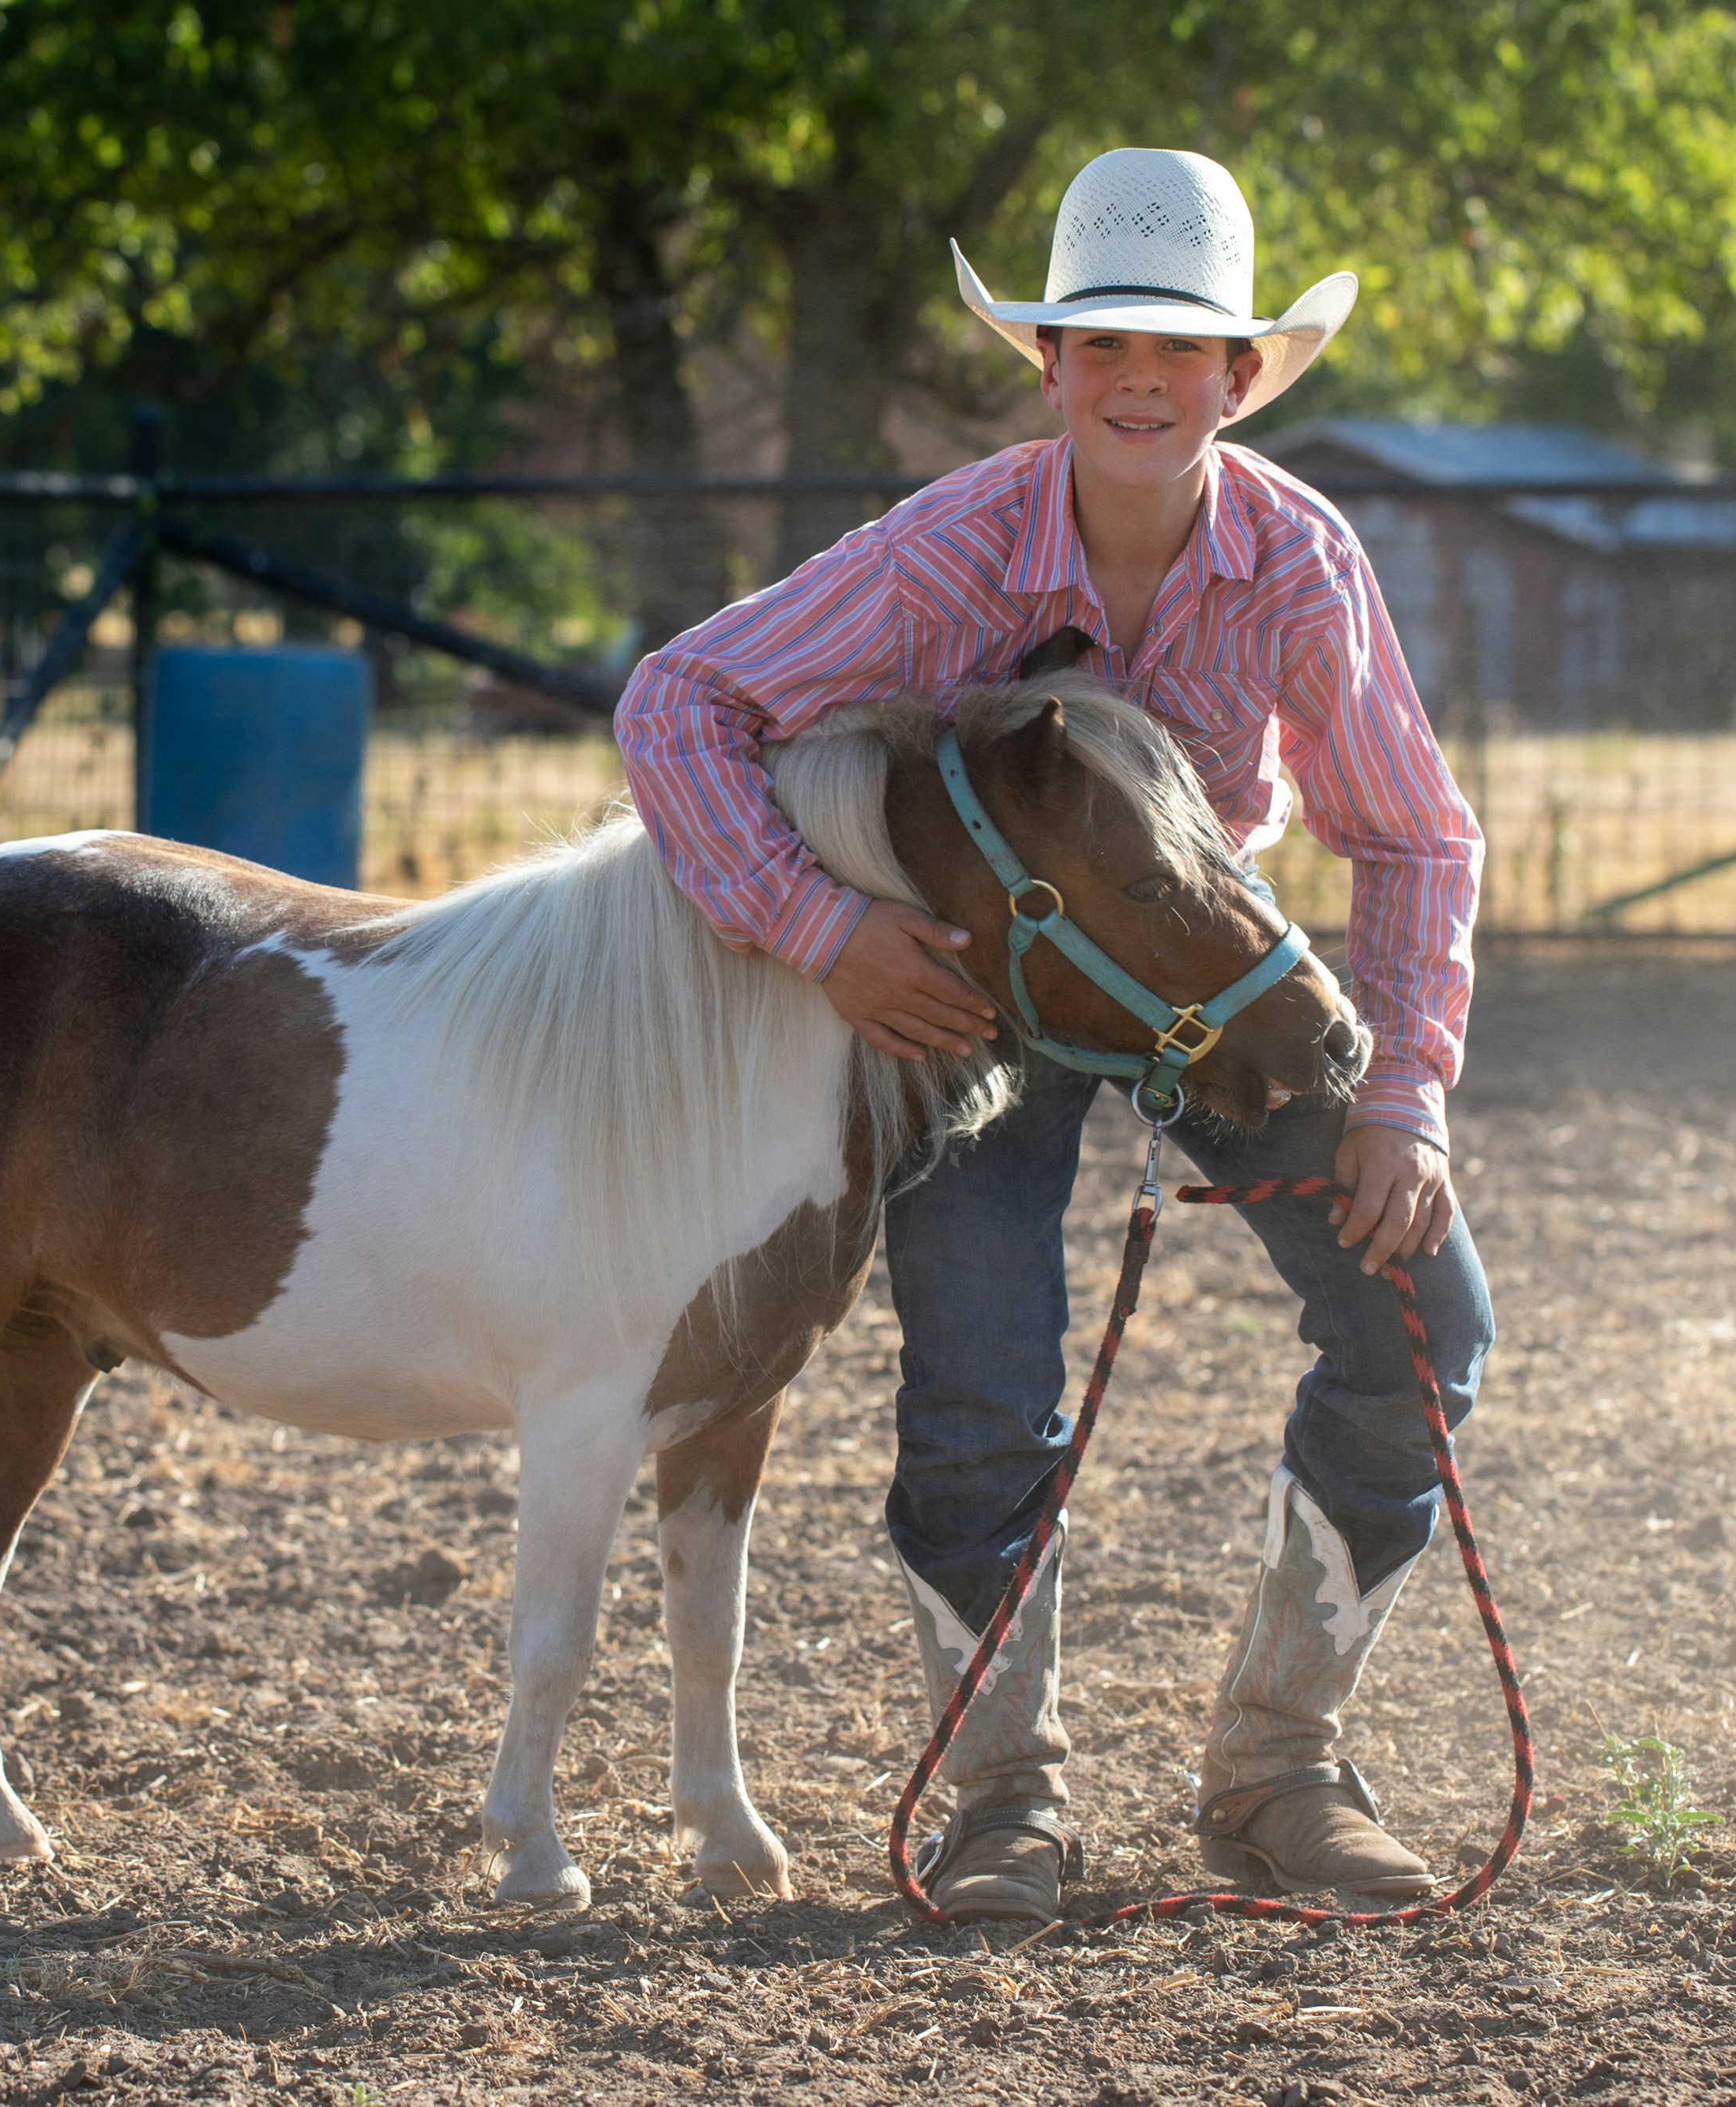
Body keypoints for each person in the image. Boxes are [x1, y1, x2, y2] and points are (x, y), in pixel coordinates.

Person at [615, 147, 1491, 1922]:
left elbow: (1408, 833)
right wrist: (819, 926)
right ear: (1047, 364)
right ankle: (1001, 1792)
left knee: (1420, 1316)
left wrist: (1401, 1088)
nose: (1143, 382)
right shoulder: (949, 549)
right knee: (974, 1384)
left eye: (1184, 353)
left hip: (1201, 987)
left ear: (1243, 376)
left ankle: (1279, 1767)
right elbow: (678, 699)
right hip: (977, 998)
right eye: (1103, 345)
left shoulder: (1297, 562)